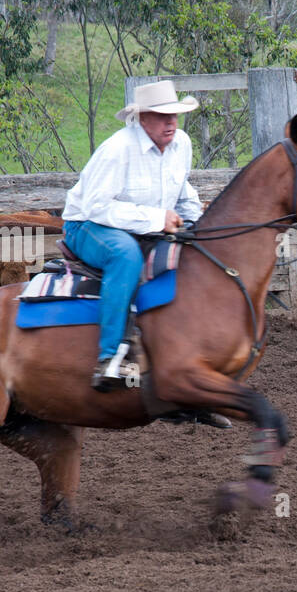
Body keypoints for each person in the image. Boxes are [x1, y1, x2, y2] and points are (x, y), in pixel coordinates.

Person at [62, 79, 203, 391]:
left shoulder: (182, 143)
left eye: (174, 115)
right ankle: (110, 357)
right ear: (142, 118)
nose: (171, 123)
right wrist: (157, 217)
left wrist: (200, 224)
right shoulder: (117, 149)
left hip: (142, 224)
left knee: (195, 255)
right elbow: (96, 206)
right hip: (86, 224)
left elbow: (182, 190)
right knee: (125, 255)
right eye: (162, 115)